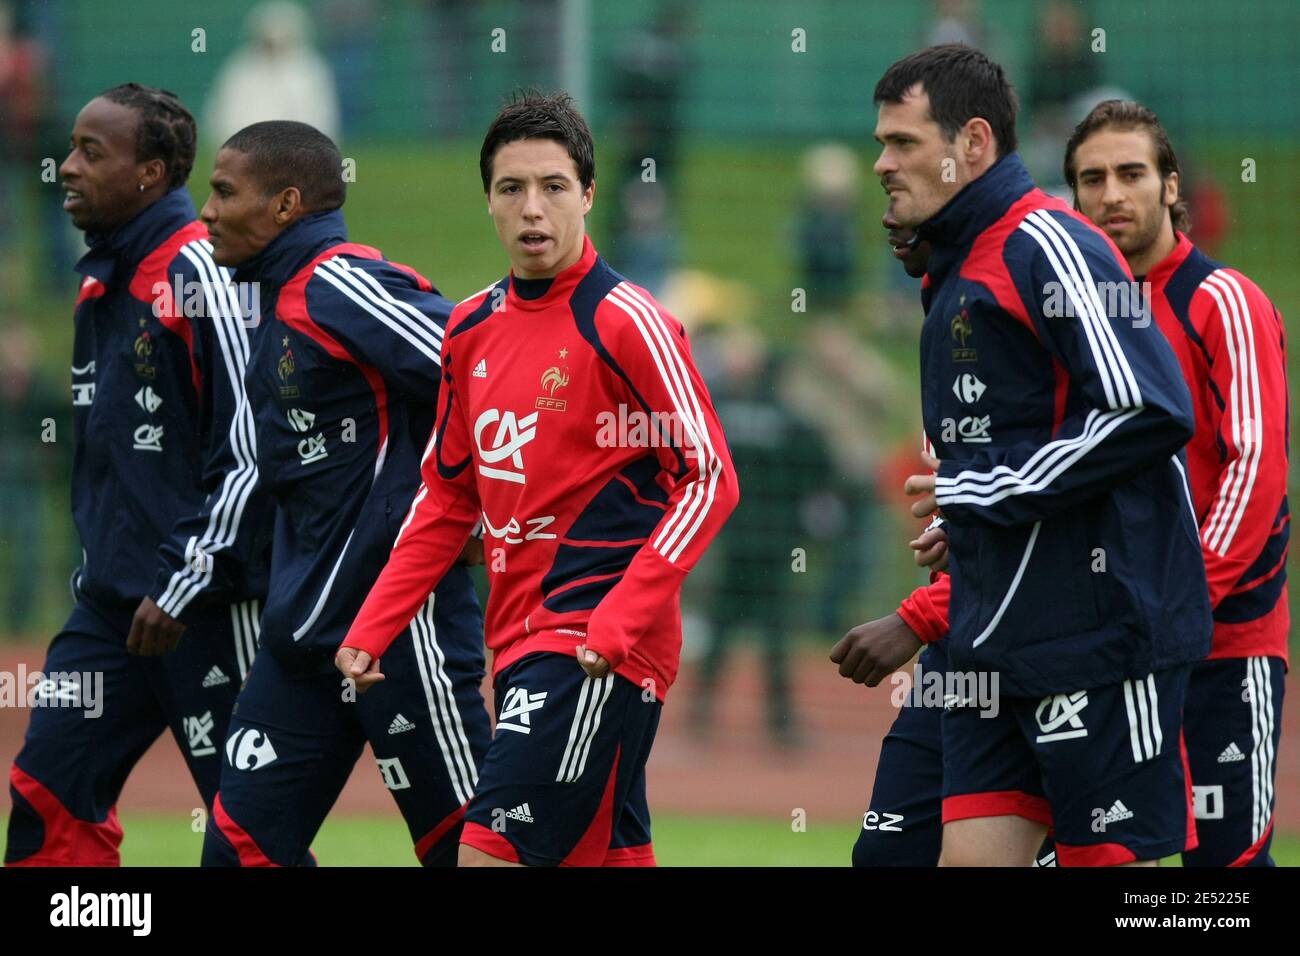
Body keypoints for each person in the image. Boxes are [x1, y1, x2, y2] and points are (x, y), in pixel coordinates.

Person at [338, 91, 739, 867]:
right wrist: (374, 622)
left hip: (592, 645)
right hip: (517, 642)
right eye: (511, 188)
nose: (533, 209)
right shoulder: (469, 327)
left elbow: (709, 477)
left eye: (554, 187)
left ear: (588, 195)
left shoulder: (628, 319)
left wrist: (619, 620)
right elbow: (449, 494)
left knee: (486, 853)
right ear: (487, 200)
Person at [874, 45, 1210, 867]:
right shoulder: (950, 269)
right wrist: (969, 520)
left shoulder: (1045, 245)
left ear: (974, 143)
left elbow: (1149, 408)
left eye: (904, 142)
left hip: (1096, 640)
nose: (882, 163)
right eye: (881, 142)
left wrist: (980, 489)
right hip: (992, 641)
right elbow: (1025, 446)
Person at [195, 120, 490, 867]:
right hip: (302, 639)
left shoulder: (338, 283)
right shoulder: (270, 301)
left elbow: (484, 371)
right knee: (237, 855)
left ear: (286, 203)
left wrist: (488, 511)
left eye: (225, 191)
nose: (207, 211)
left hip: (401, 635)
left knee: (475, 854)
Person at [5, 84, 269, 866]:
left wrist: (183, 583)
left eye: (92, 152)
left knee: (247, 837)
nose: (66, 167)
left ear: (152, 173)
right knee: (48, 798)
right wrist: (102, 574)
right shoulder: (99, 281)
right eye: (71, 148)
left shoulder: (203, 272)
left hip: (209, 607)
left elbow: (255, 450)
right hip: (111, 610)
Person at [1065, 100, 1288, 866]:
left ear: (1170, 186)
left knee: (1219, 878)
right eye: (1092, 179)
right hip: (1100, 652)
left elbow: (1256, 466)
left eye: (1132, 173)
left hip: (1221, 648)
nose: (1111, 195)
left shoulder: (1223, 301)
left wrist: (1182, 602)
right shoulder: (1069, 315)